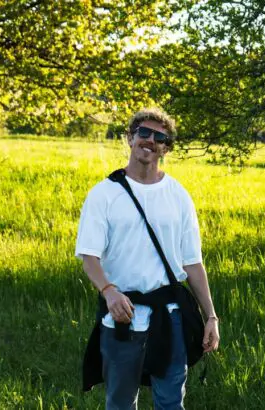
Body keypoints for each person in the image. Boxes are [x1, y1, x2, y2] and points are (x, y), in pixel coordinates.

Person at [76, 108, 220, 409]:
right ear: (130, 138)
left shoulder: (178, 195)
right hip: (122, 315)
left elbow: (192, 263)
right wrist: (108, 290)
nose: (150, 141)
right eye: (144, 133)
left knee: (170, 402)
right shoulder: (105, 194)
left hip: (170, 316)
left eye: (160, 137)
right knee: (121, 402)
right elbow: (89, 256)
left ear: (166, 148)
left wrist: (211, 317)